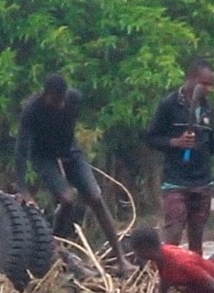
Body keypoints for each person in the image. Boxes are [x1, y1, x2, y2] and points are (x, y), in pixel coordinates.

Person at [14, 73, 132, 275]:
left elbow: (66, 131)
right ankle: (55, 247)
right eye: (55, 100)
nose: (60, 104)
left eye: (62, 99)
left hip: (70, 152)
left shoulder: (74, 99)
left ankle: (121, 258)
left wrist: (67, 160)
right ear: (46, 95)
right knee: (67, 199)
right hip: (43, 156)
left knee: (95, 196)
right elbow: (21, 150)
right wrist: (23, 188)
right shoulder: (31, 111)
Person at [145, 58, 214, 253]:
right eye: (205, 84)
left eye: (212, 85)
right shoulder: (169, 104)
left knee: (196, 239)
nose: (209, 89)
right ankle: (169, 277)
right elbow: (151, 138)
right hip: (176, 181)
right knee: (173, 233)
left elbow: (210, 149)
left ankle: (194, 281)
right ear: (191, 79)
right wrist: (175, 142)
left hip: (202, 183)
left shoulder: (208, 108)